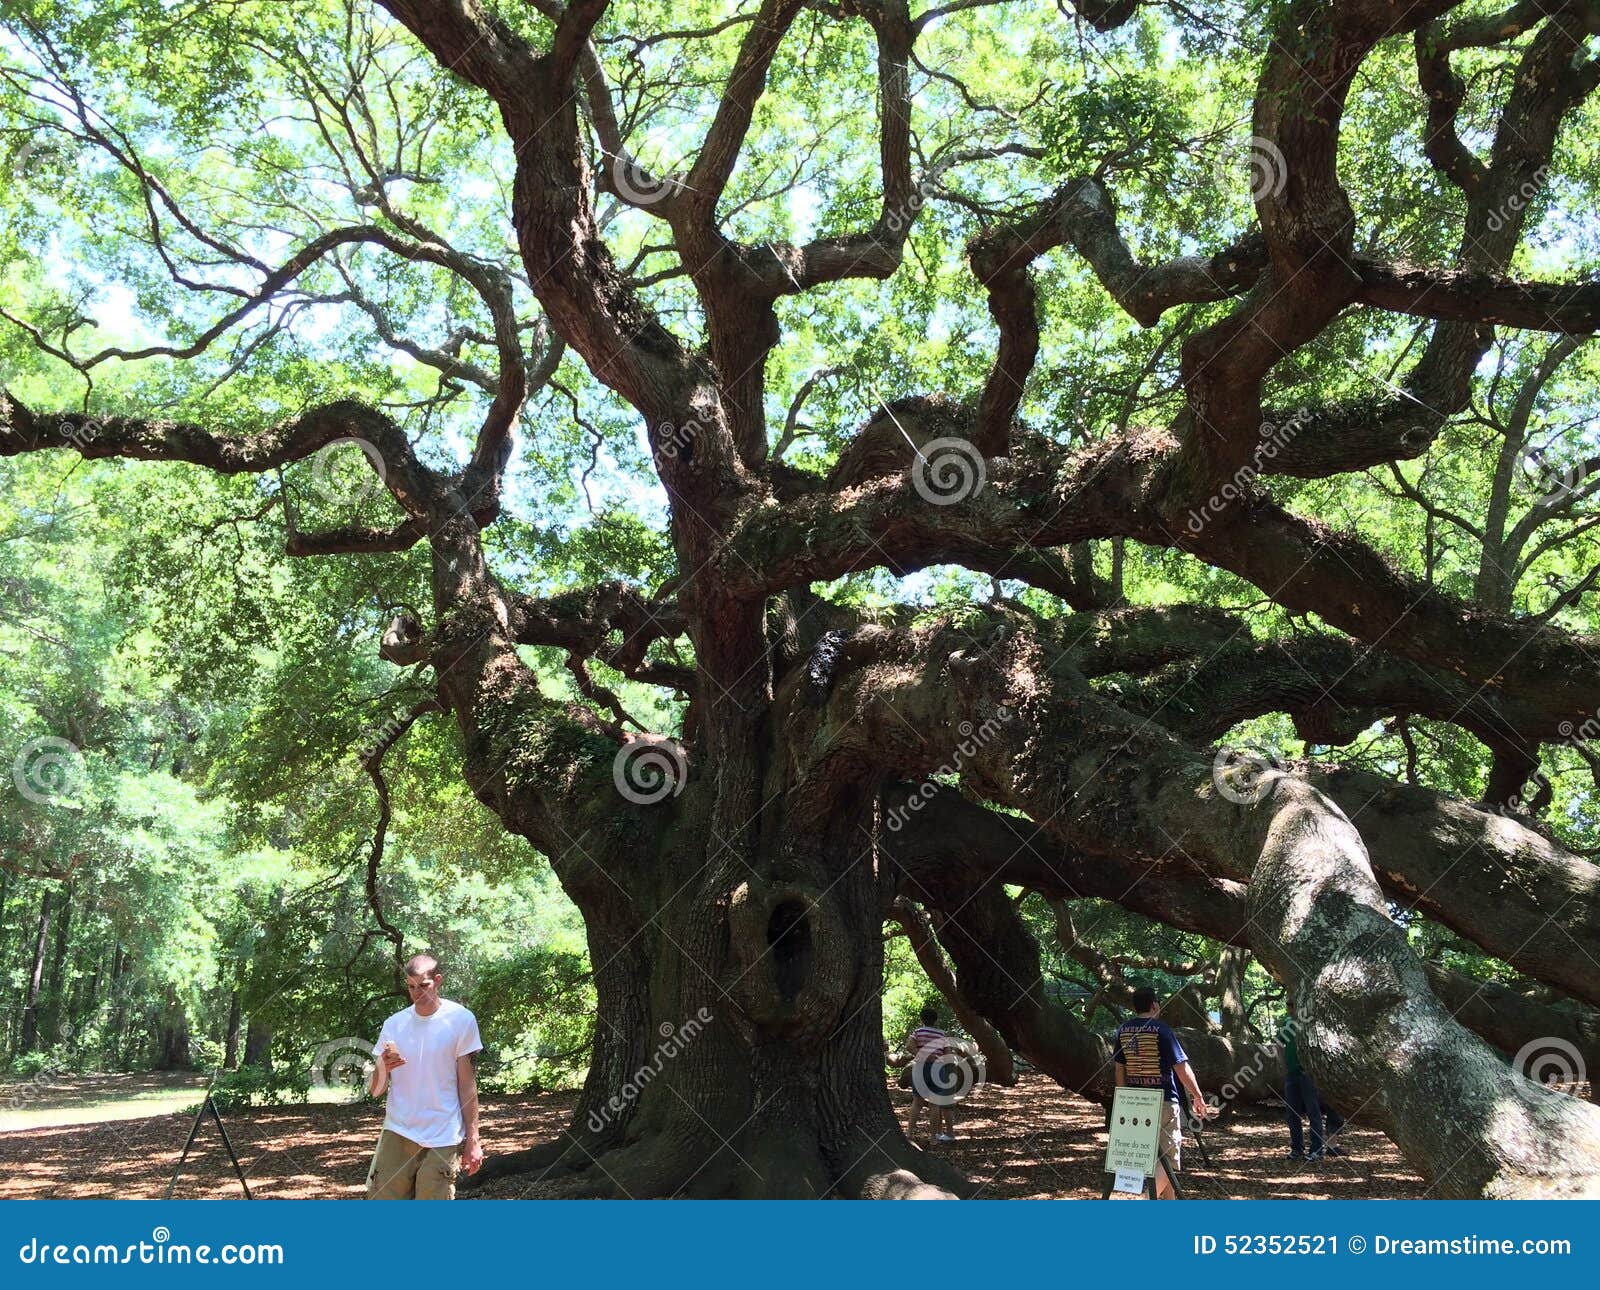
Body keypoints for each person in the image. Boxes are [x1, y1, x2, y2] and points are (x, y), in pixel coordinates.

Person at [365, 952, 485, 1199]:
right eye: (411, 987)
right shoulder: (394, 1025)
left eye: (423, 986)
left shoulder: (461, 1020)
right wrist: (383, 1068)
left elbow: (467, 1085)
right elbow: (375, 1091)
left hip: (443, 1134)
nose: (417, 993)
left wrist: (473, 1139)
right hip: (398, 1131)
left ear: (438, 980)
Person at [1113, 984, 1212, 1199]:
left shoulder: (1123, 1031)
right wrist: (1198, 1095)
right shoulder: (1162, 1030)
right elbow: (1181, 1067)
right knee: (1170, 1159)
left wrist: (1123, 1102)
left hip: (1136, 1103)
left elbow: (1119, 1069)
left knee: (1154, 1160)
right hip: (1164, 1101)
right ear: (1154, 1005)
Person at [1278, 1001, 1345, 1162]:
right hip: (1292, 1074)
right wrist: (1283, 1065)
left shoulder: (1310, 1022)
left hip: (1307, 1074)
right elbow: (1279, 1044)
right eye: (1288, 1005)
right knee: (1292, 1113)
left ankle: (1316, 1149)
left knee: (1312, 1111)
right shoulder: (1287, 1024)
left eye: (1291, 1005)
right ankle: (1296, 1148)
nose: (1289, 1009)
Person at [902, 1004, 958, 1144]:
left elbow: (909, 1046)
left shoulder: (918, 1032)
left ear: (922, 1019)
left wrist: (921, 1054)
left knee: (917, 1102)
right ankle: (933, 1138)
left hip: (920, 1067)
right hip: (937, 1069)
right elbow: (948, 1054)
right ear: (936, 1020)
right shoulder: (941, 1035)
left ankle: (909, 1134)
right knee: (934, 1104)